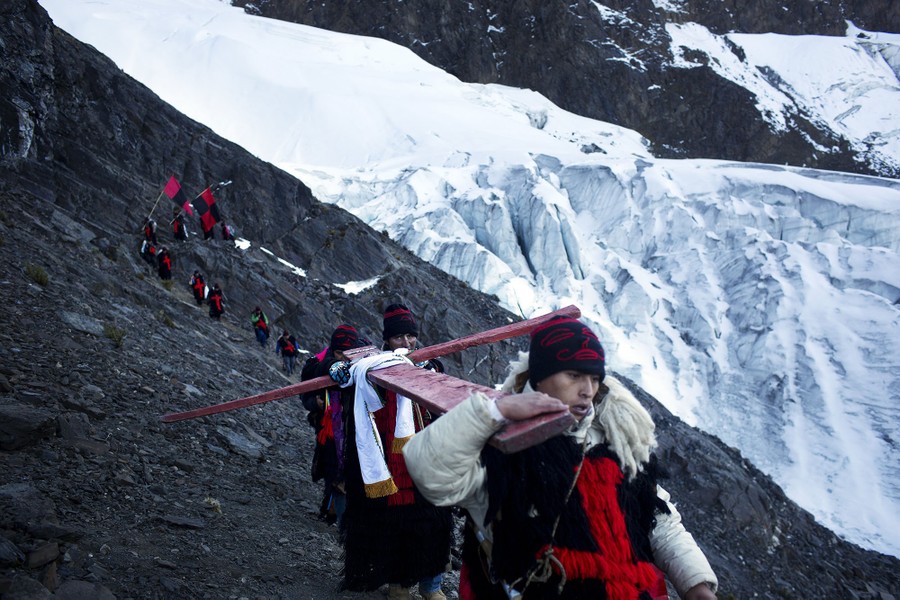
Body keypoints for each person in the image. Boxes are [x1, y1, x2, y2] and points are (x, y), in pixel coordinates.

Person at [403, 316, 718, 600]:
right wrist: (493, 412)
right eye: (574, 375)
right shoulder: (503, 444)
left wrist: (696, 584)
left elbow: (659, 521)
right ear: (540, 377)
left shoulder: (618, 439)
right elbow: (430, 474)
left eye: (594, 379)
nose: (587, 390)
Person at [326, 308, 452, 600]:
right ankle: (400, 584)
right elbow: (325, 368)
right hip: (390, 464)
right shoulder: (369, 366)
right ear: (387, 340)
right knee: (397, 525)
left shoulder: (429, 365)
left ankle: (432, 585)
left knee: (434, 523)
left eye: (411, 335)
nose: (406, 342)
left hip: (427, 461)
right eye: (398, 336)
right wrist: (334, 368)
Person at [305, 325, 361, 526]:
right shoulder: (316, 365)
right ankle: (335, 515)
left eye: (349, 354)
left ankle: (338, 513)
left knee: (349, 471)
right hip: (328, 430)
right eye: (339, 353)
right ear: (332, 349)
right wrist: (316, 404)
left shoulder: (363, 361)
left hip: (355, 428)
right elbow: (306, 398)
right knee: (334, 469)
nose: (344, 359)